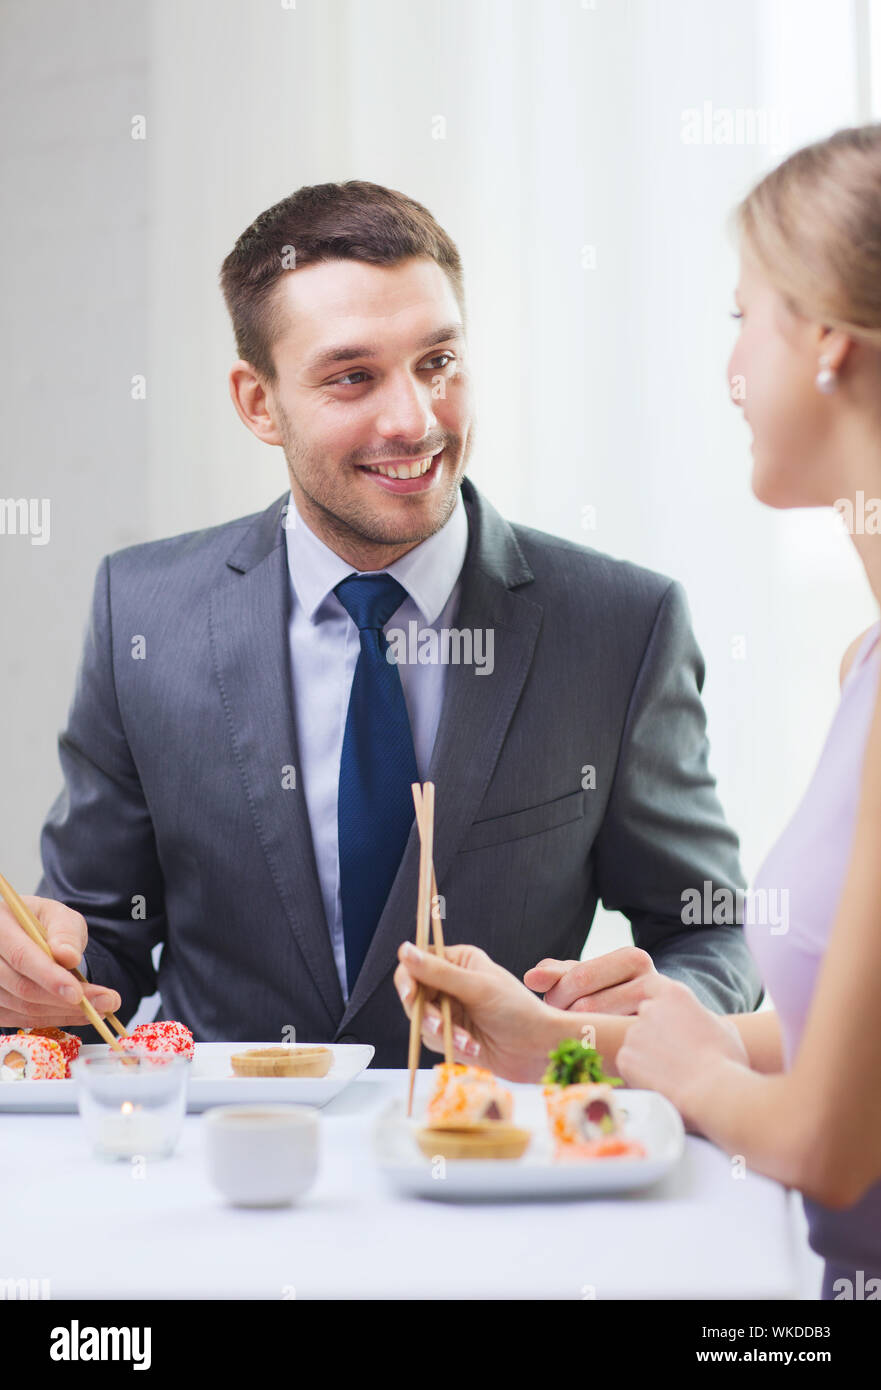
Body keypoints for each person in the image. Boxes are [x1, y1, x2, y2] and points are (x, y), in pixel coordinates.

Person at [0, 181, 760, 1066]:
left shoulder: (620, 626)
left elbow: (708, 932)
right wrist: (42, 969)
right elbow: (102, 941)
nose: (413, 419)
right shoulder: (142, 610)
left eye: (437, 361)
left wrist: (667, 1006)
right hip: (224, 1169)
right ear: (257, 403)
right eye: (352, 376)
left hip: (496, 1168)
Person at [394, 125, 881, 1296]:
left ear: (824, 341)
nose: (728, 373)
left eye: (740, 319)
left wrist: (698, 1078)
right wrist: (551, 1037)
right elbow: (834, 1056)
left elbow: (824, 1142)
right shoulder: (863, 660)